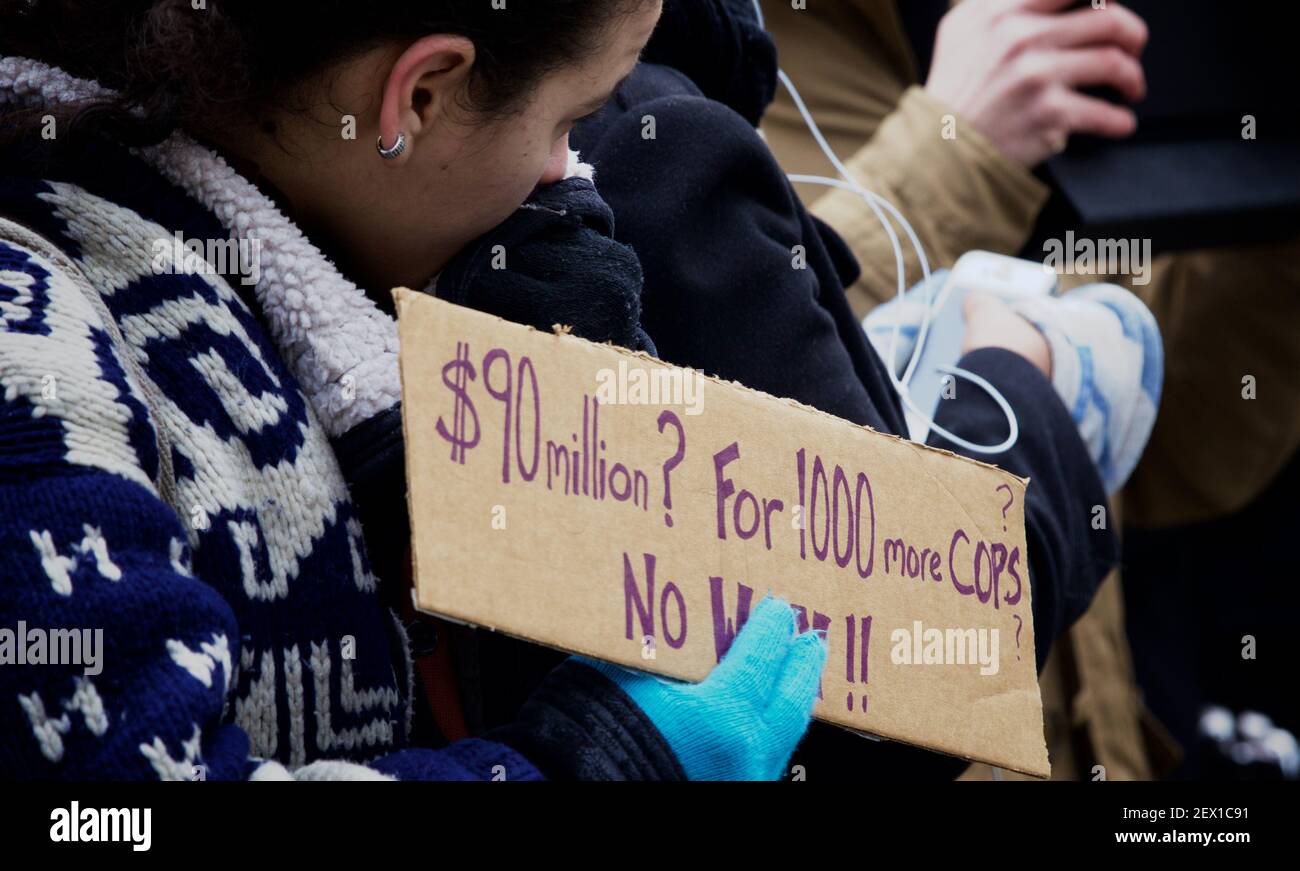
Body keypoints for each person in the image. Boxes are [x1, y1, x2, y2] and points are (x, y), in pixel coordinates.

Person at [0, 0, 834, 782]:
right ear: (422, 97)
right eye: (570, 121)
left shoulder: (325, 269)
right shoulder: (30, 354)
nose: (565, 173)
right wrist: (602, 759)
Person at [759, 0, 1300, 776]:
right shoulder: (670, 46)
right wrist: (958, 150)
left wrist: (1271, 199)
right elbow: (732, 430)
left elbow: (1168, 452)